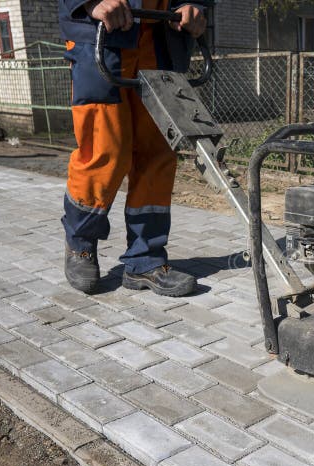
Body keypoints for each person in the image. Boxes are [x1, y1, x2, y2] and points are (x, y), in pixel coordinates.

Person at [58, 0, 206, 296]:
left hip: (162, 39)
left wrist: (197, 6)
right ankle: (80, 242)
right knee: (105, 149)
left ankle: (146, 259)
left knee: (159, 154)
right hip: (103, 33)